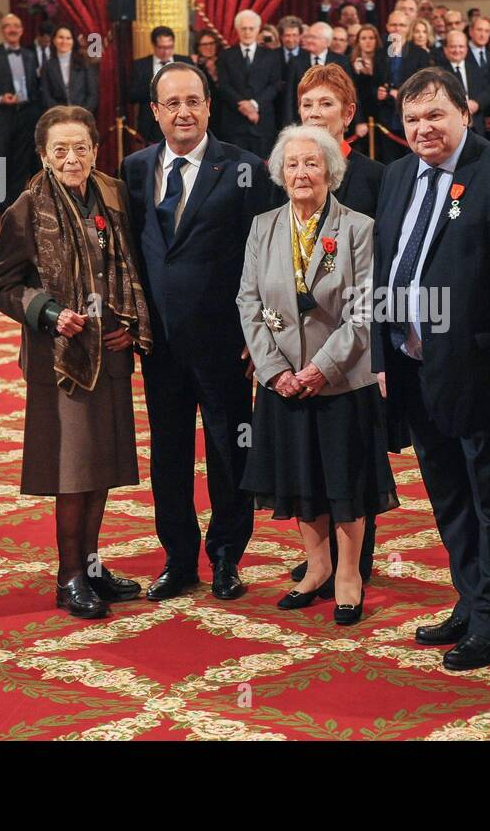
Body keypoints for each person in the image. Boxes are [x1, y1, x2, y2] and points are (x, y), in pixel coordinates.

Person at [372, 67, 490, 670]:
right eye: (413, 119)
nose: (423, 128)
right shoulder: (398, 176)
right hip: (413, 366)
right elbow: (386, 271)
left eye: (435, 115)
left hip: (483, 373)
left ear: (465, 113)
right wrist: (381, 354)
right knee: (448, 496)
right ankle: (470, 602)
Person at [121, 61, 278, 602]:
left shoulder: (245, 168)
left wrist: (261, 334)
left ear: (210, 106)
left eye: (193, 101)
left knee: (229, 449)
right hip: (160, 343)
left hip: (226, 344)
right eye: (172, 104)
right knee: (167, 454)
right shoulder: (135, 169)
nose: (183, 112)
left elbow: (267, 256)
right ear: (156, 111)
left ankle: (227, 557)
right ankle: (179, 558)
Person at [0, 105, 150, 619]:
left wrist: (130, 321)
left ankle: (93, 567)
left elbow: (129, 262)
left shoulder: (112, 193)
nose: (72, 157)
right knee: (74, 470)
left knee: (102, 465)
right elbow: (4, 288)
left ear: (96, 150)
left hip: (111, 351)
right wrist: (50, 313)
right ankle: (69, 577)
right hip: (61, 358)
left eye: (81, 147)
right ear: (43, 155)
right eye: (60, 149)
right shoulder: (26, 208)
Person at [238, 125, 397, 624]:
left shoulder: (358, 227)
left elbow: (367, 309)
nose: (301, 172)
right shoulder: (262, 226)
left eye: (311, 163)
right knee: (301, 475)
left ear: (331, 170)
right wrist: (274, 370)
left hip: (342, 380)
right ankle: (316, 566)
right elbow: (248, 301)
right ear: (279, 173)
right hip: (283, 383)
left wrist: (320, 368)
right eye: (292, 164)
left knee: (345, 481)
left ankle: (349, 574)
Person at [0, 13, 43, 211]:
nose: (12, 29)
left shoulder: (30, 55)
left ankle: (18, 207)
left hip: (25, 117)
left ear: (21, 30)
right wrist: (0, 98)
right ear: (2, 30)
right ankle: (5, 210)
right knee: (2, 165)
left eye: (16, 26)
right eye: (7, 26)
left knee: (21, 165)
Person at [298, 64, 383, 217]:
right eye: (307, 105)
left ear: (348, 114)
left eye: (326, 103)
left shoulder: (376, 176)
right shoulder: (285, 175)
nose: (314, 113)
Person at [215, 10, 283, 159]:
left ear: (258, 29)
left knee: (261, 172)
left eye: (251, 28)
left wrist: (254, 104)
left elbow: (275, 85)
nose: (247, 32)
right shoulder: (226, 55)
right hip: (234, 125)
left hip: (263, 123)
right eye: (243, 28)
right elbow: (223, 85)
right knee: (237, 171)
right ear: (237, 30)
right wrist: (243, 106)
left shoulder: (271, 56)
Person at [377, 10, 432, 162]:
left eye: (402, 25)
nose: (397, 29)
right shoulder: (379, 53)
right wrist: (378, 92)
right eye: (393, 25)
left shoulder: (420, 54)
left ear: (408, 28)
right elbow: (373, 83)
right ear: (387, 27)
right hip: (386, 120)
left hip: (413, 116)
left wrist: (401, 93)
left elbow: (425, 85)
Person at [282, 21, 353, 127]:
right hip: (303, 120)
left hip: (331, 120)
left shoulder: (342, 61)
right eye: (308, 37)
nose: (309, 41)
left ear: (327, 42)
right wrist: (288, 122)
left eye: (314, 37)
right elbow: (289, 95)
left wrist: (358, 122)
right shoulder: (296, 61)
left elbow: (349, 92)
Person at [440, 29, 490, 135]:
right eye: (453, 46)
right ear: (445, 49)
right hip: (451, 130)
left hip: (476, 128)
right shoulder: (439, 73)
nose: (457, 50)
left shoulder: (476, 69)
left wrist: (477, 104)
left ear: (466, 49)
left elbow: (488, 93)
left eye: (461, 46)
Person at [130, 26, 177, 146]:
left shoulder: (185, 61)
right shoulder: (141, 65)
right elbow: (132, 96)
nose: (166, 51)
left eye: (169, 47)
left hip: (178, 120)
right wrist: (152, 86)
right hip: (151, 124)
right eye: (161, 47)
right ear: (154, 45)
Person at [39, 25, 99, 114]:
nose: (64, 41)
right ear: (54, 40)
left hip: (82, 116)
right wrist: (61, 114)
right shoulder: (47, 66)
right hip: (57, 117)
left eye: (68, 38)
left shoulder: (85, 62)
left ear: (73, 41)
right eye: (60, 37)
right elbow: (46, 96)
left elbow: (92, 95)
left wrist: (82, 113)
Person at [349, 23, 388, 137]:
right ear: (358, 42)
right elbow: (352, 94)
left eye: (371, 38)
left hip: (381, 116)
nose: (368, 41)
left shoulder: (383, 61)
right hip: (360, 115)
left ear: (377, 40)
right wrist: (359, 120)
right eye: (364, 38)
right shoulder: (349, 62)